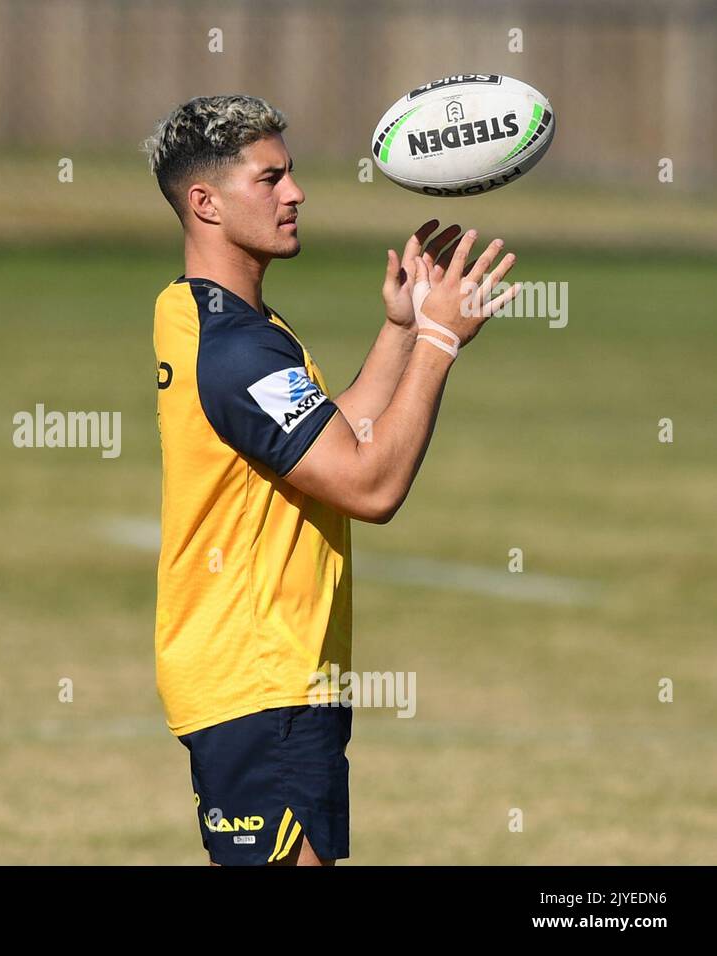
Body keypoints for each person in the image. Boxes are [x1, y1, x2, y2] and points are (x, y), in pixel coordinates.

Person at [144, 94, 519, 865]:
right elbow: (369, 486)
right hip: (260, 681)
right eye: (271, 178)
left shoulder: (207, 315)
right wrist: (441, 342)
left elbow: (326, 439)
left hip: (266, 684)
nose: (296, 193)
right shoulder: (235, 350)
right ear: (204, 203)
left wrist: (402, 330)